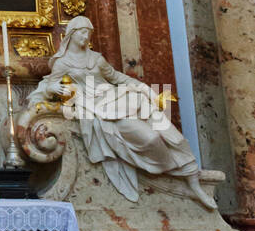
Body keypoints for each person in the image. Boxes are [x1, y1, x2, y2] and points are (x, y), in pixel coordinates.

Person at [28, 17, 217, 209]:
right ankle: (174, 174)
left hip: (118, 99)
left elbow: (117, 77)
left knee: (166, 130)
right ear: (72, 34)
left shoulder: (96, 59)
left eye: (89, 33)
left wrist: (144, 88)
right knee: (151, 138)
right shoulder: (62, 62)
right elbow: (50, 84)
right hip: (97, 109)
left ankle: (193, 181)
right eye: (82, 32)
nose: (86, 37)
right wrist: (54, 88)